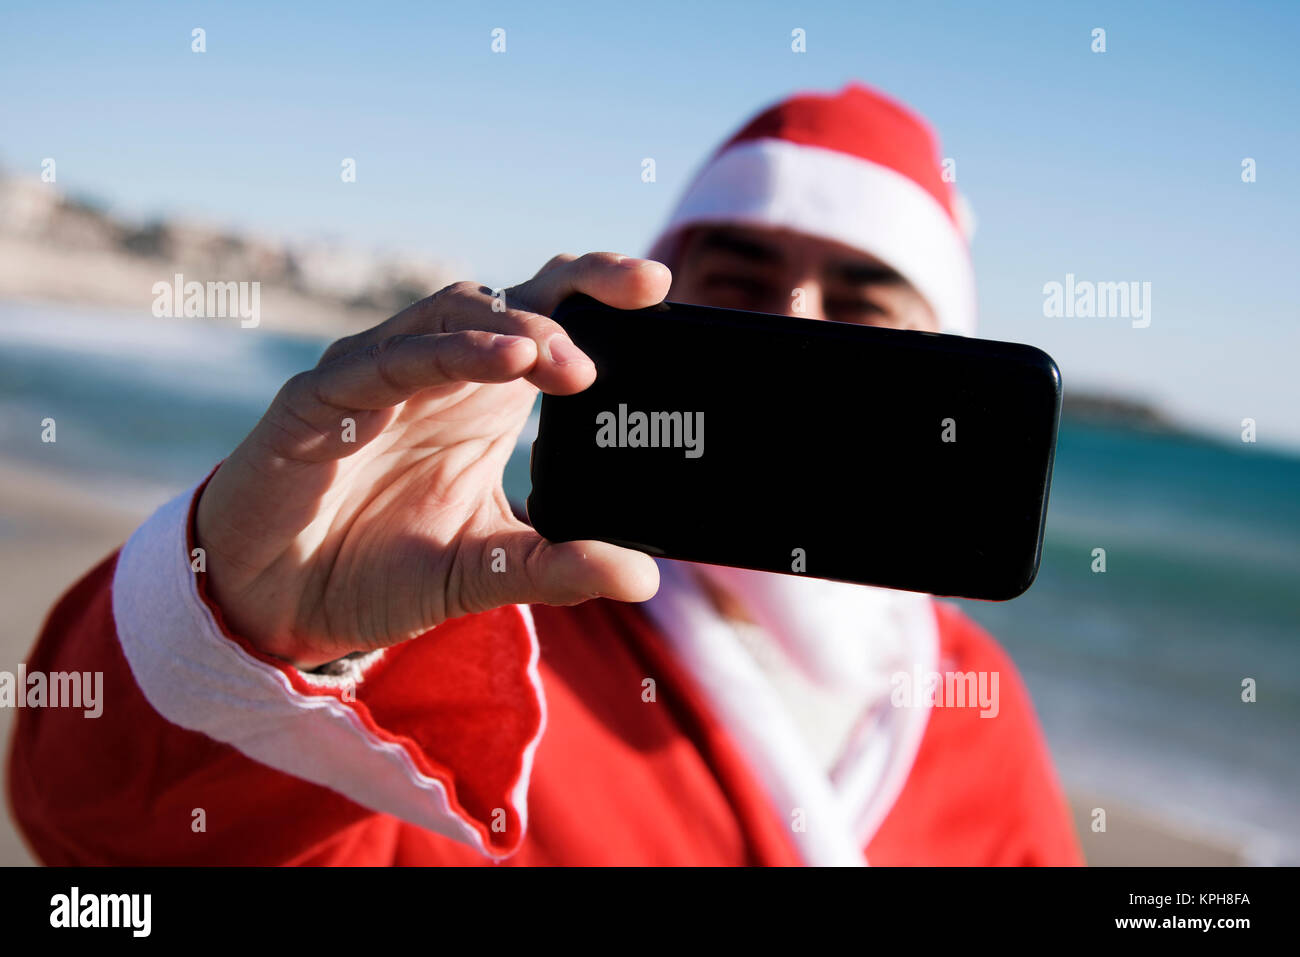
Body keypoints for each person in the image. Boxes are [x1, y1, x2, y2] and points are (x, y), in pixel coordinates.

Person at [7, 83, 1082, 866]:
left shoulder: (969, 703)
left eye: (861, 307)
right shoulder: (465, 617)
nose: (791, 324)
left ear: (947, 358)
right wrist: (254, 630)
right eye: (740, 281)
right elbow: (99, 844)